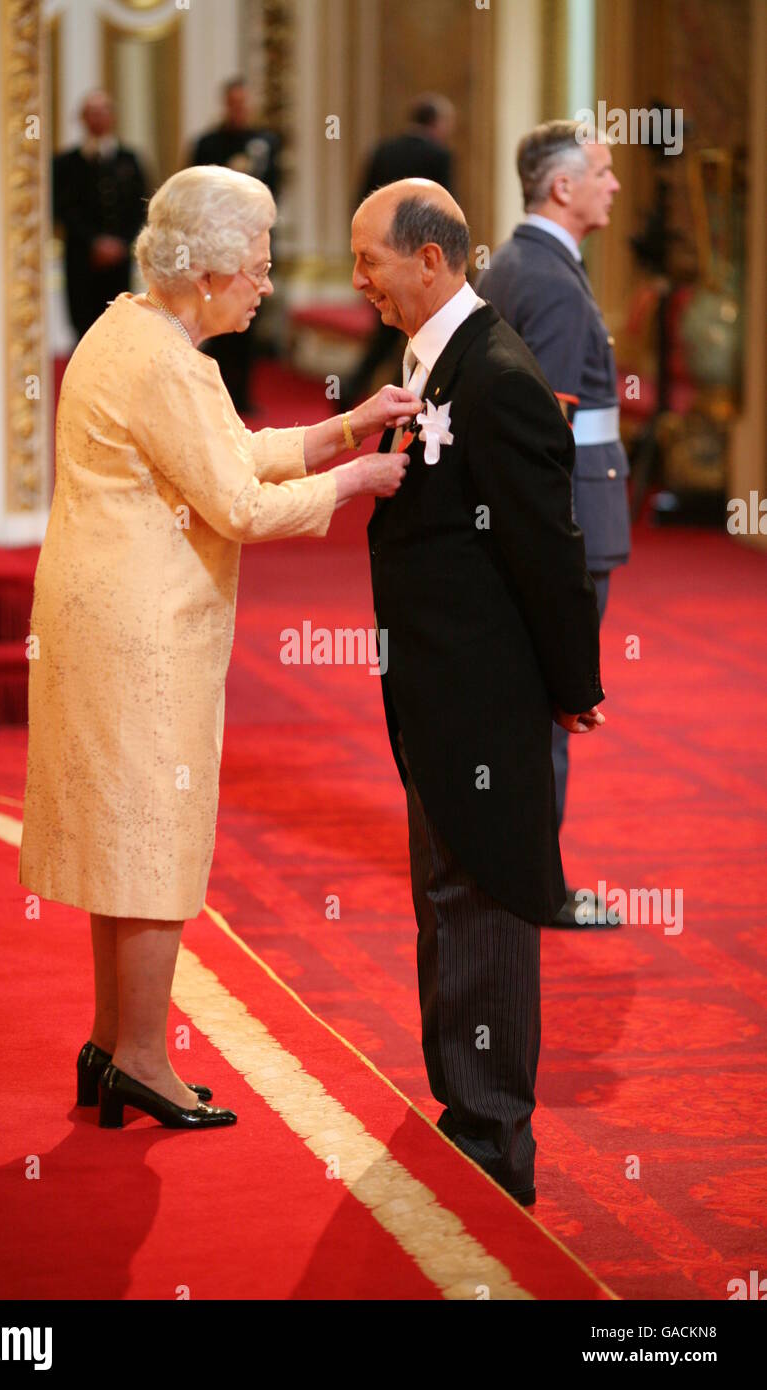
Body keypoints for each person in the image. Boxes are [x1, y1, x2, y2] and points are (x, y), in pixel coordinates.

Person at [19, 166, 420, 1134]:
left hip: (97, 612)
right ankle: (146, 1058)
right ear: (202, 272)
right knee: (151, 836)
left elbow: (224, 449)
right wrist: (360, 475)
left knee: (118, 831)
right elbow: (236, 503)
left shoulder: (130, 329)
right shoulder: (165, 360)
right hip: (139, 631)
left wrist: (340, 427)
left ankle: (114, 1042)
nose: (267, 283)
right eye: (255, 264)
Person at [353, 178, 605, 1205]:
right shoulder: (427, 358)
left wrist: (571, 682)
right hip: (436, 685)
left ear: (429, 258)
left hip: (483, 695)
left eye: (369, 257)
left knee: (485, 895)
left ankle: (497, 1134)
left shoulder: (493, 373)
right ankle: (463, 1108)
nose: (358, 276)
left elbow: (546, 546)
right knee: (446, 895)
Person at [478, 121, 631, 928]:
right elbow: (551, 432)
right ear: (563, 188)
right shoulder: (554, 283)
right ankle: (545, 887)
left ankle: (525, 873)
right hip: (572, 521)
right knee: (558, 712)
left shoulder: (517, 265)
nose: (613, 185)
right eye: (602, 172)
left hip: (550, 520)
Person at [342, 95, 457, 412]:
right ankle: (405, 394)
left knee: (386, 331)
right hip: (417, 260)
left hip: (380, 256)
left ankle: (358, 387)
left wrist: (368, 253)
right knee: (409, 330)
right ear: (436, 123)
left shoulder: (383, 149)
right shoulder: (439, 154)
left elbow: (362, 200)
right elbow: (443, 213)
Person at [186, 78, 281, 413]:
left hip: (254, 244)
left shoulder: (267, 141)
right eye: (234, 103)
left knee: (249, 322)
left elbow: (274, 193)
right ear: (226, 104)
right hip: (217, 247)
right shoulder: (207, 144)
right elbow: (198, 195)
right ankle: (217, 395)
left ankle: (242, 396)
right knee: (219, 321)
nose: (240, 109)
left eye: (245, 103)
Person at [52, 90, 147, 341]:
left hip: (118, 261)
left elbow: (142, 206)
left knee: (118, 328)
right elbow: (62, 210)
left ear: (113, 117)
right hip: (82, 261)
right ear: (82, 118)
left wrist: (121, 243)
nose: (98, 118)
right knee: (84, 329)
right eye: (92, 113)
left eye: (104, 112)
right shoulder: (65, 163)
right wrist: (94, 243)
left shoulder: (130, 160)